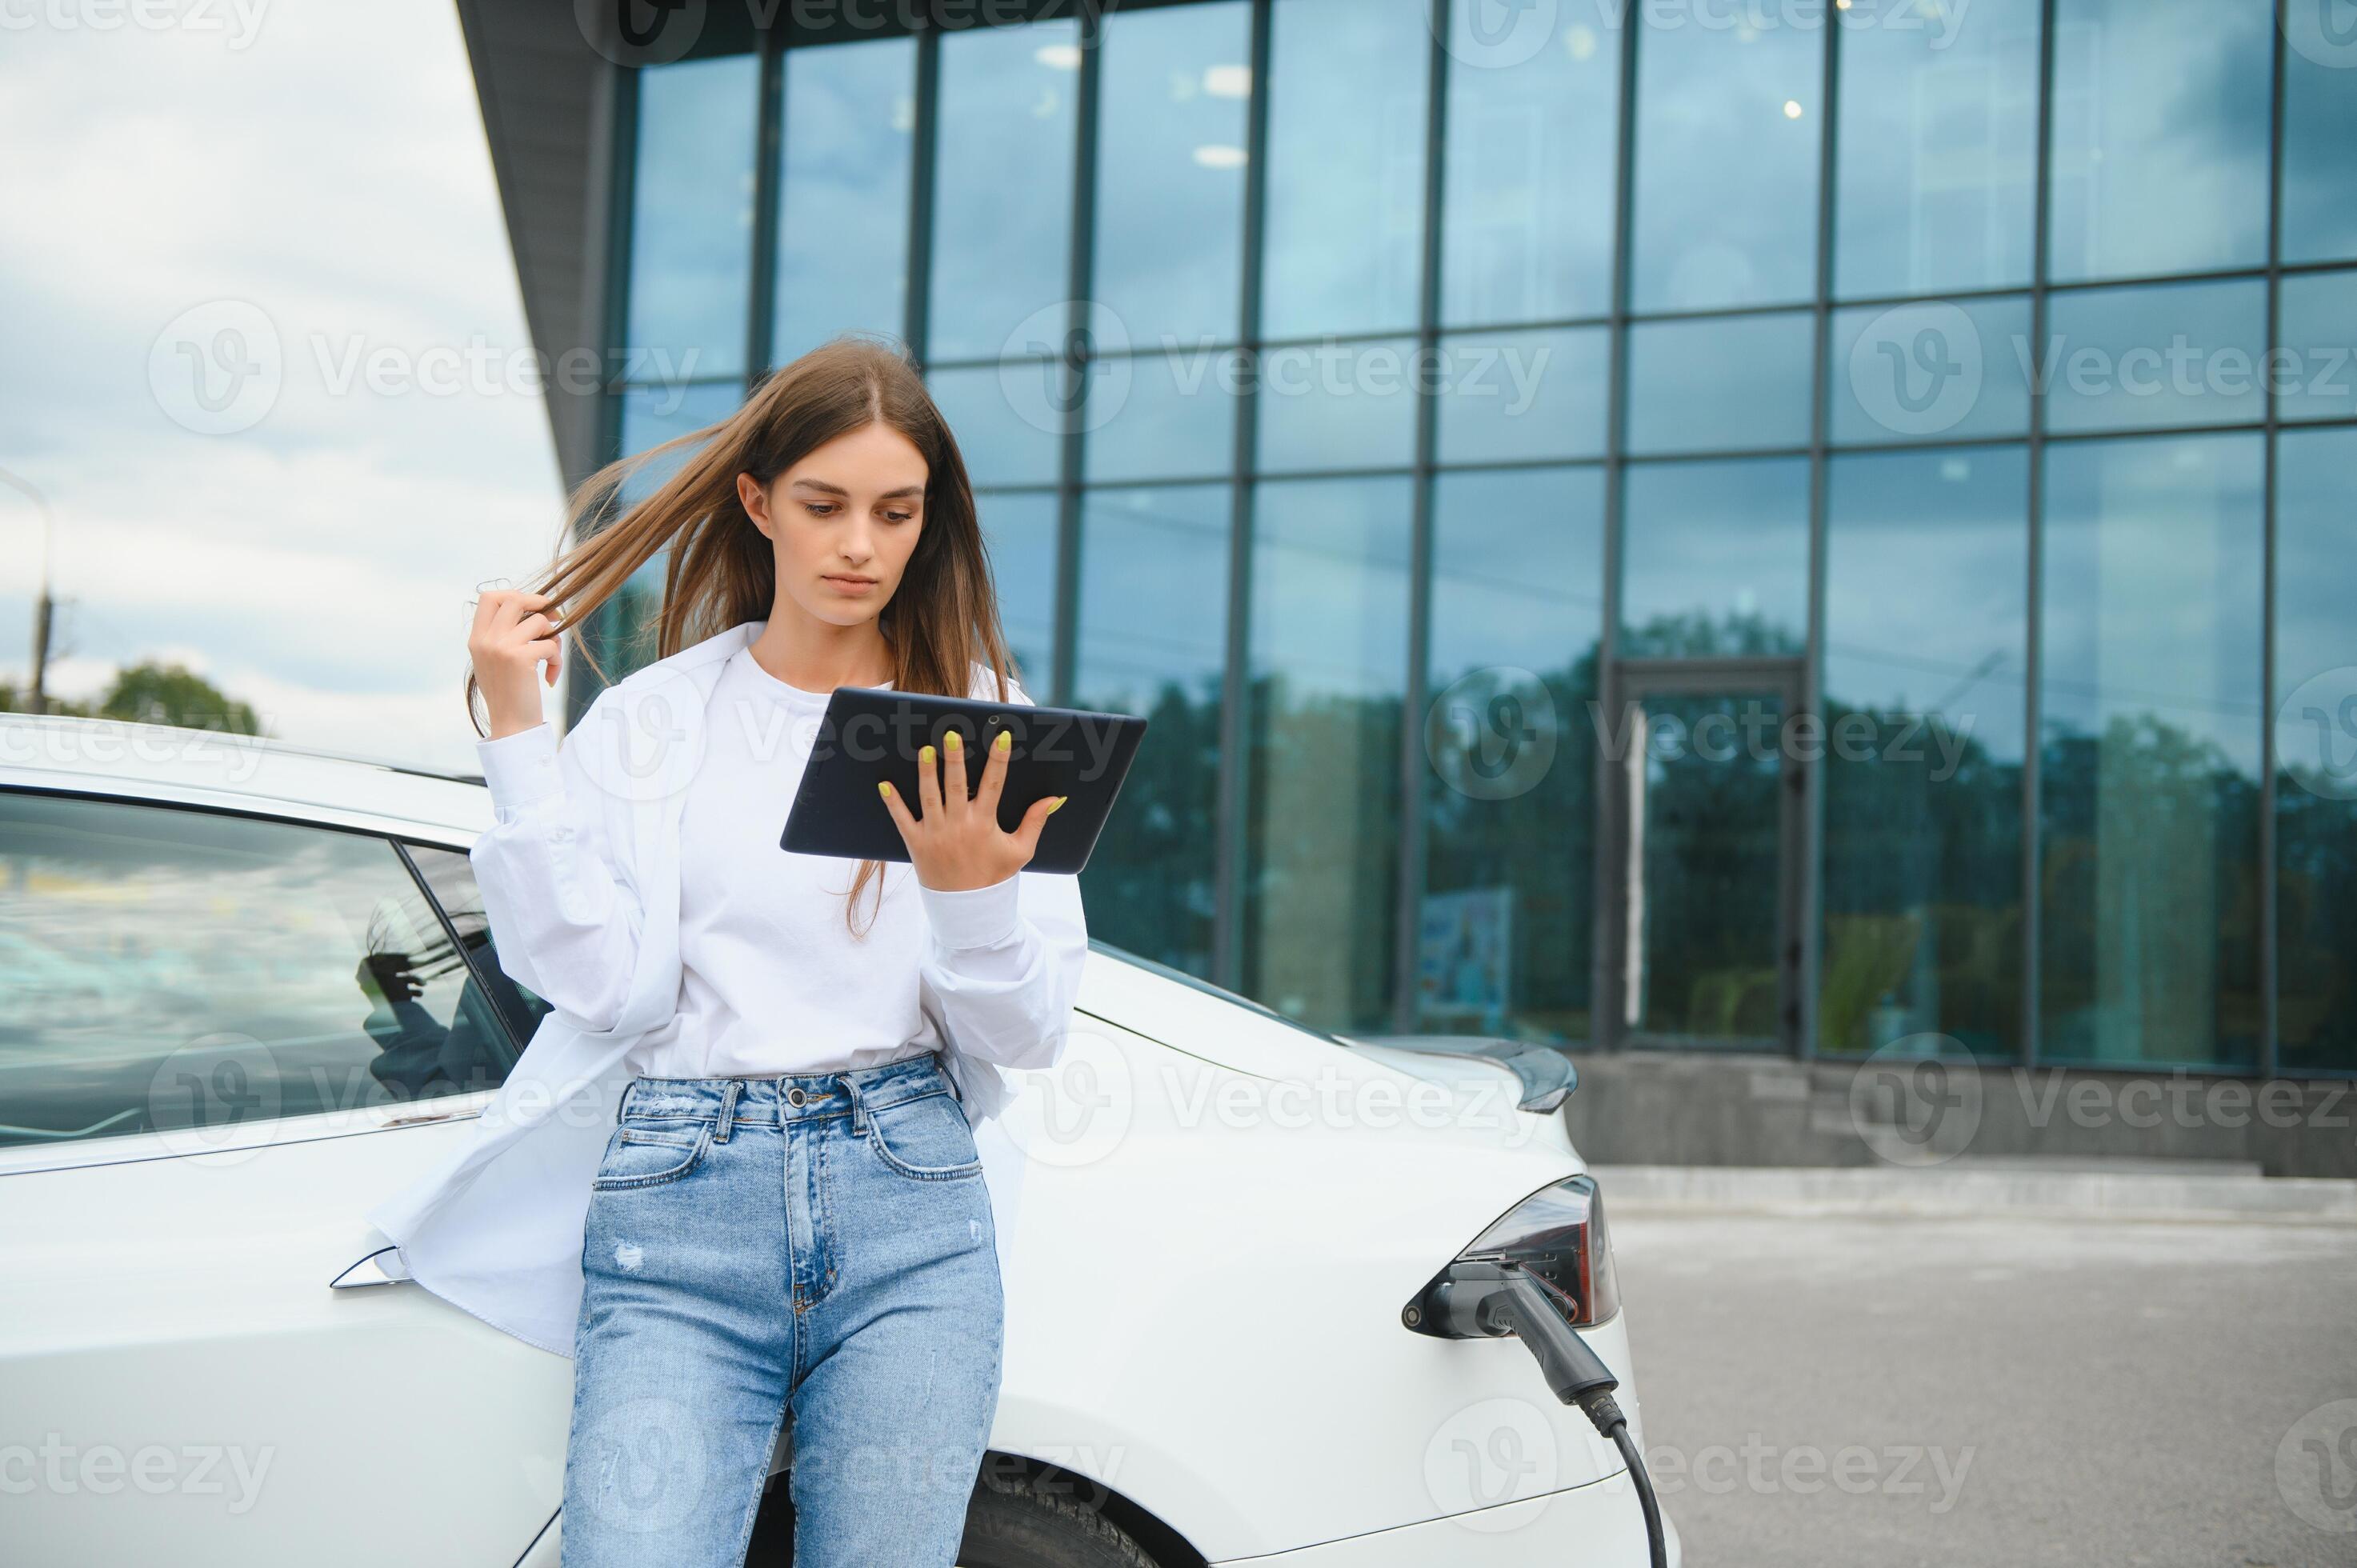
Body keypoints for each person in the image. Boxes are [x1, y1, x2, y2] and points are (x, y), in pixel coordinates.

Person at [365, 333, 1089, 1567]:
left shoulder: (981, 725)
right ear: (758, 503)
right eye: (824, 505)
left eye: (895, 511)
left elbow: (1027, 1039)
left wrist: (972, 899)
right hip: (678, 1205)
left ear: (929, 524)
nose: (859, 544)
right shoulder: (657, 717)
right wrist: (518, 734)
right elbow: (594, 985)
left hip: (909, 1201)